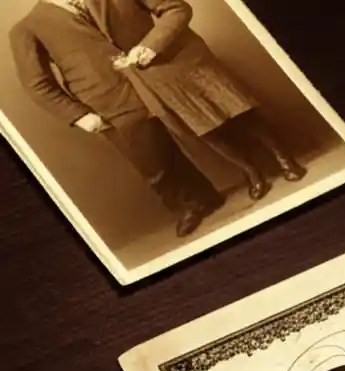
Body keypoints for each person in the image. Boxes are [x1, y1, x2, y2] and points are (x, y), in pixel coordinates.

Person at [10, 0, 306, 238]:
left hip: (162, 73)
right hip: (110, 102)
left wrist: (150, 47)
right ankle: (196, 204)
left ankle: (268, 164)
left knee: (216, 123)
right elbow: (37, 83)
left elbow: (175, 8)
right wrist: (79, 115)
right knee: (154, 163)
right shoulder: (27, 28)